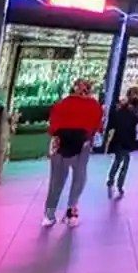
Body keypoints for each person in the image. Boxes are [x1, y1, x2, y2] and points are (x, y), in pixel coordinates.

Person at [43, 79, 103, 228]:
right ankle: (71, 214)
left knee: (55, 182)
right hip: (82, 147)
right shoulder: (95, 106)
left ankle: (49, 215)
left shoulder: (60, 104)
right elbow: (97, 127)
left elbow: (52, 128)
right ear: (89, 90)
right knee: (79, 178)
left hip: (60, 146)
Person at [106, 87, 138, 195]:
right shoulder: (133, 110)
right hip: (127, 138)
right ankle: (118, 183)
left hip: (121, 138)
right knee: (124, 161)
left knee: (119, 159)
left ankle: (112, 179)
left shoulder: (123, 108)